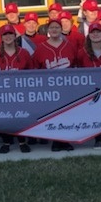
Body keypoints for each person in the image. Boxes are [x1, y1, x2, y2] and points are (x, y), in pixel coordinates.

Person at [0, 24, 34, 154]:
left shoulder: (24, 53)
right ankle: (6, 142)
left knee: (21, 117)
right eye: (4, 35)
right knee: (5, 118)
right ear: (1, 37)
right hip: (2, 94)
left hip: (20, 93)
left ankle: (22, 142)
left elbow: (31, 73)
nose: (8, 37)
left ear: (15, 36)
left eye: (10, 34)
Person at [33, 15, 78, 151]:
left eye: (57, 27)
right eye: (51, 27)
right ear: (48, 29)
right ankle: (56, 141)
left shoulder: (69, 45)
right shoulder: (41, 48)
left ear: (61, 29)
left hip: (67, 86)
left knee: (67, 113)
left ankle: (66, 140)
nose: (54, 30)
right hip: (49, 87)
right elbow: (36, 68)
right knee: (53, 114)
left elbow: (75, 65)